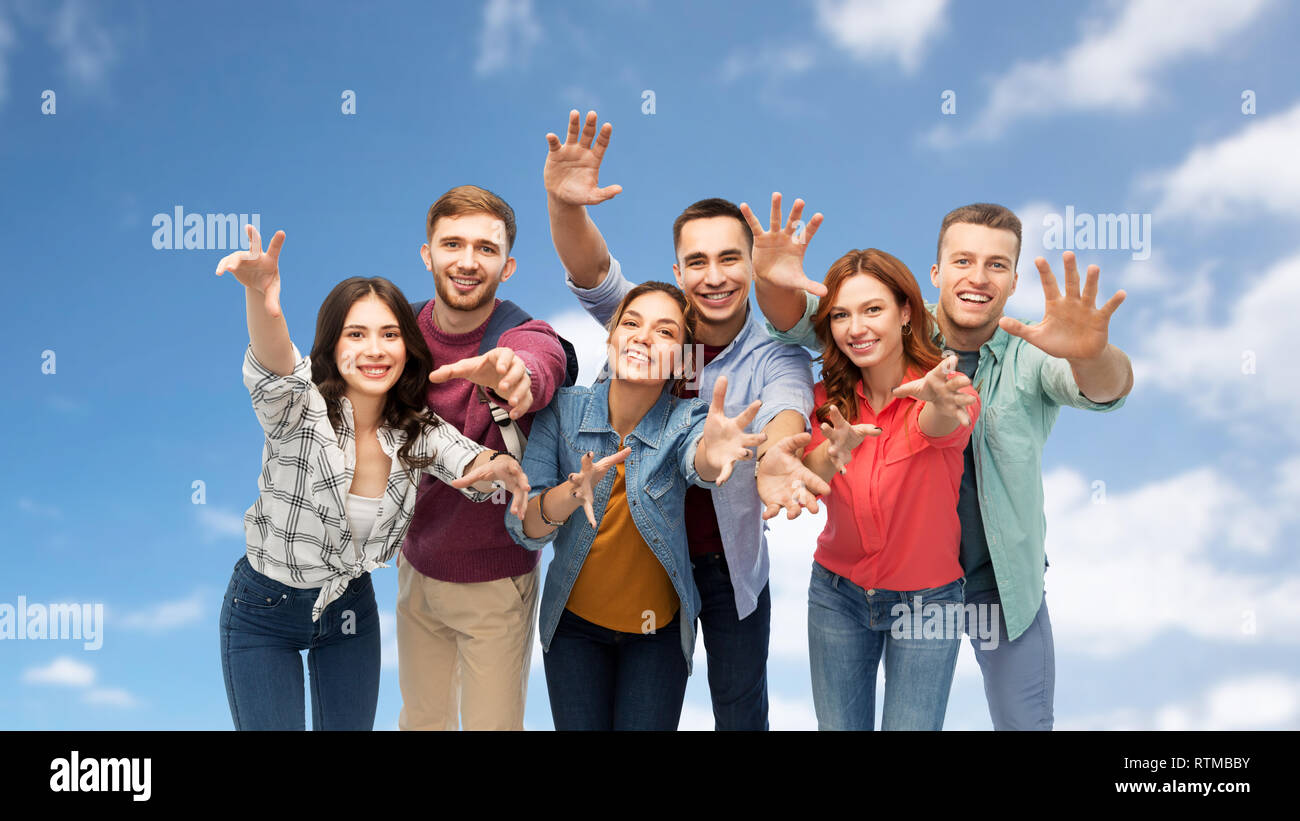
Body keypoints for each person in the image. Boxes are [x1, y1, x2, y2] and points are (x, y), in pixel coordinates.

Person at [754, 198, 1134, 730]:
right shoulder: (886, 330)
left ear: (1014, 278)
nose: (977, 277)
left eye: (996, 265)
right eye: (962, 261)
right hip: (873, 579)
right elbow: (800, 326)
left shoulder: (1034, 351)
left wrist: (1091, 354)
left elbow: (1104, 391)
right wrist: (770, 279)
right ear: (935, 272)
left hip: (993, 583)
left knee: (1024, 723)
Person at [542, 110, 828, 731]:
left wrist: (778, 456)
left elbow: (786, 407)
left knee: (739, 711)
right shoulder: (654, 323)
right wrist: (566, 208)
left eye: (731, 259)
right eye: (696, 262)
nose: (714, 276)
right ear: (677, 272)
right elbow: (594, 275)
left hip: (729, 566)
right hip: (641, 562)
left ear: (753, 266)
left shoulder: (776, 352)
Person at [214, 225, 529, 731]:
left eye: (389, 334)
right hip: (264, 609)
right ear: (332, 344)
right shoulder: (300, 407)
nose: (375, 349)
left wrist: (496, 467)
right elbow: (276, 364)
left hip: (349, 612)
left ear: (407, 346)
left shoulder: (414, 428)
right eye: (356, 334)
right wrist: (262, 297)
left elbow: (467, 462)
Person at [505, 281, 768, 730]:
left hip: (655, 636)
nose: (643, 336)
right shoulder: (561, 412)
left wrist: (713, 455)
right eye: (631, 323)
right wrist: (571, 494)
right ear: (611, 337)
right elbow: (525, 527)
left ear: (683, 360)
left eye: (665, 332)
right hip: (573, 631)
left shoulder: (688, 420)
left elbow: (697, 461)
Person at [396, 185, 571, 731]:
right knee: (421, 723)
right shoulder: (397, 333)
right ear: (427, 254)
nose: (468, 262)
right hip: (417, 567)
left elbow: (542, 360)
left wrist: (522, 378)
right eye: (452, 244)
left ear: (509, 265)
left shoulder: (519, 334)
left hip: (495, 580)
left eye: (486, 249)